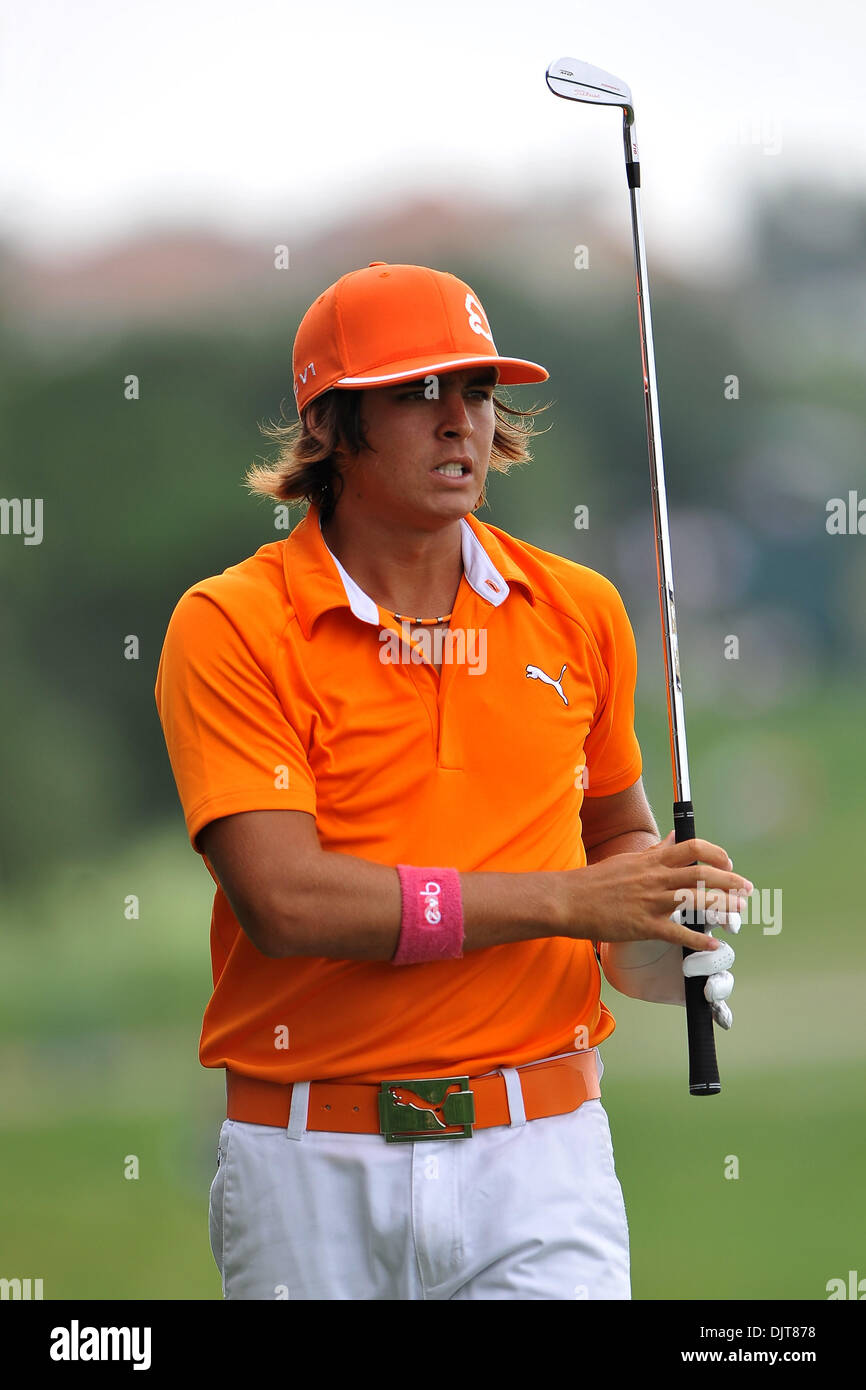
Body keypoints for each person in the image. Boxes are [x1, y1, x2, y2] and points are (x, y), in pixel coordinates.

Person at [154, 260, 750, 1301]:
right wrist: (569, 901)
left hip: (539, 1156)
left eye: (475, 392)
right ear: (333, 426)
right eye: (418, 392)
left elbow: (612, 831)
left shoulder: (576, 609)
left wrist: (650, 932)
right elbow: (286, 902)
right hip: (307, 1163)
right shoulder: (231, 624)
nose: (458, 423)